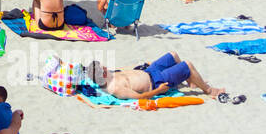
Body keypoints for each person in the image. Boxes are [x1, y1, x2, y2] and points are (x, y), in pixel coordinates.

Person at [89, 54, 225, 98]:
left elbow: (129, 72)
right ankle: (209, 90)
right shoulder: (116, 89)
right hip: (156, 81)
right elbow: (141, 98)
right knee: (187, 65)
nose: (105, 67)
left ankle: (191, 81)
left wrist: (144, 66)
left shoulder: (110, 74)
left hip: (149, 71)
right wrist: (158, 91)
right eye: (103, 68)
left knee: (173, 54)